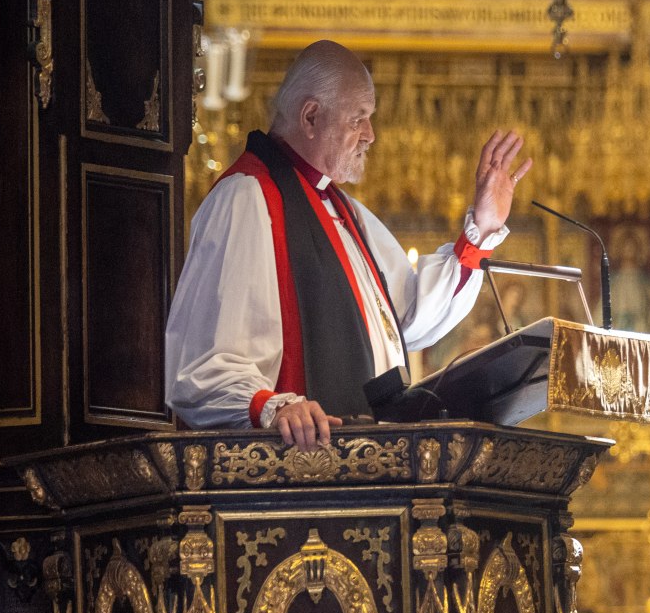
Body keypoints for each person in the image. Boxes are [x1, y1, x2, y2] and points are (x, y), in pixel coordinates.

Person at [165, 40, 531, 450]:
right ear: (311, 117)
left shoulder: (344, 212)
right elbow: (202, 367)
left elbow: (406, 319)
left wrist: (483, 226)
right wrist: (274, 408)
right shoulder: (247, 198)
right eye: (359, 119)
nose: (370, 135)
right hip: (293, 467)